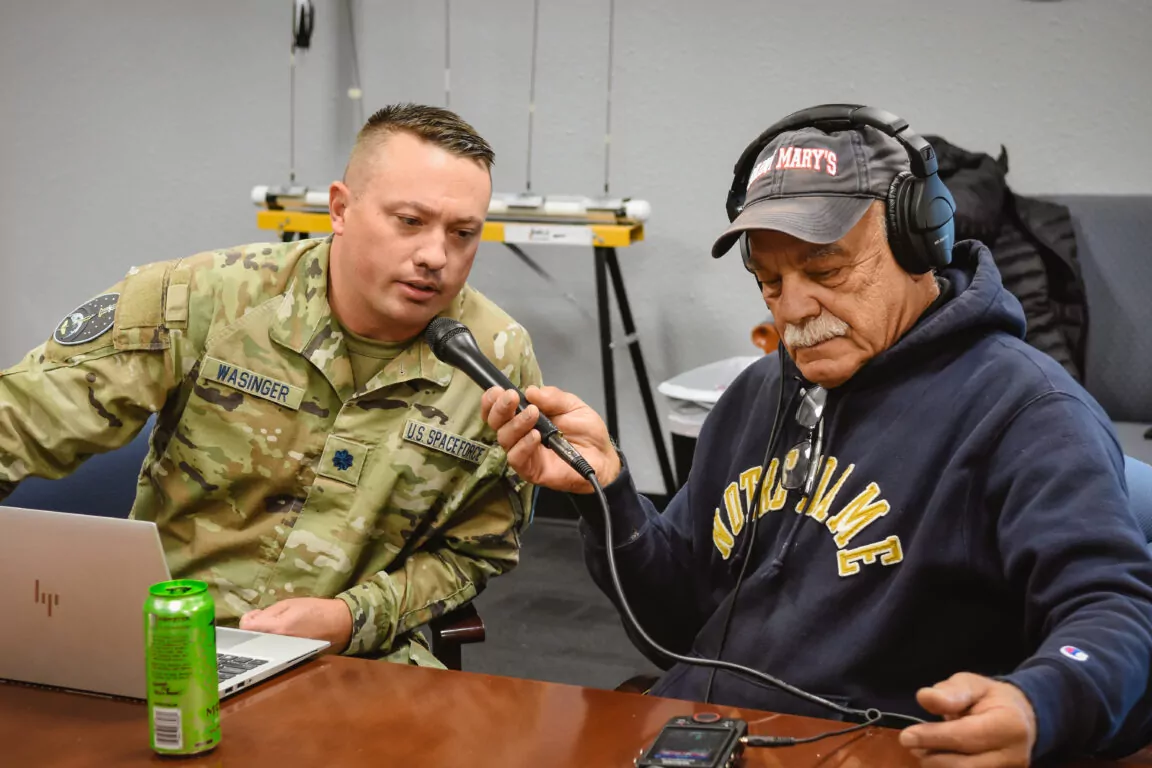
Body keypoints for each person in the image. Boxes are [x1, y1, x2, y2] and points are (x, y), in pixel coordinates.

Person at [482, 106, 1152, 765]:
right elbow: (677, 628)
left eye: (827, 271)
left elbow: (1113, 610)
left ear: (919, 245)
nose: (794, 309)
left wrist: (1039, 703)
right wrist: (609, 496)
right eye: (769, 281)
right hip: (708, 740)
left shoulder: (1027, 412)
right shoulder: (754, 397)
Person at [0, 103, 542, 666]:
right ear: (340, 209)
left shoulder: (495, 357)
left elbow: (476, 549)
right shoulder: (206, 298)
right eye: (409, 221)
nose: (435, 256)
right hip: (174, 642)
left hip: (352, 661)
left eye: (463, 234)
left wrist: (354, 618)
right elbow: (20, 419)